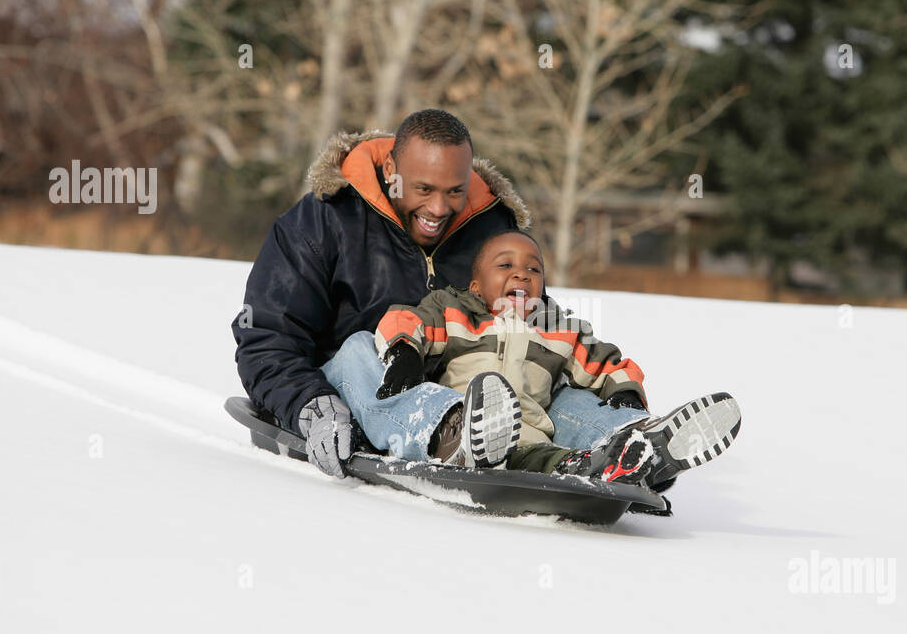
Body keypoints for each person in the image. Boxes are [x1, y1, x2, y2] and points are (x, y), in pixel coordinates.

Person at [232, 109, 658, 480]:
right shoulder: (323, 221)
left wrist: (610, 384)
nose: (439, 208)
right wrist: (311, 403)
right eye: (424, 190)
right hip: (362, 391)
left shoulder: (492, 229)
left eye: (454, 191)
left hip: (478, 385)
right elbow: (267, 337)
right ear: (393, 174)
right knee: (361, 348)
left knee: (550, 379)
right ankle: (448, 431)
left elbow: (534, 322)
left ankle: (627, 444)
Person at [370, 229, 742, 488]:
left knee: (549, 458)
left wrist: (625, 392)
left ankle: (639, 445)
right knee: (514, 444)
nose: (522, 273)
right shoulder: (455, 312)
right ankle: (485, 442)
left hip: (528, 436)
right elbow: (407, 320)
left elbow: (602, 361)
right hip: (463, 425)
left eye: (534, 269)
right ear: (475, 285)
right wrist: (404, 353)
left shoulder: (556, 327)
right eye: (505, 266)